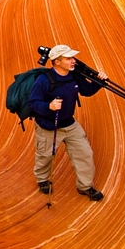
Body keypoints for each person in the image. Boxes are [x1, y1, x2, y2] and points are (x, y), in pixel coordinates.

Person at [28, 44, 107, 201]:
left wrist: (99, 82)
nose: (73, 61)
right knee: (45, 155)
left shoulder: (74, 75)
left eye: (72, 57)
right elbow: (33, 103)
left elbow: (86, 91)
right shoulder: (44, 80)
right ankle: (43, 180)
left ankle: (85, 186)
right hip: (48, 126)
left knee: (84, 153)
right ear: (57, 62)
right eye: (69, 58)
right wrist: (48, 106)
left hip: (69, 124)